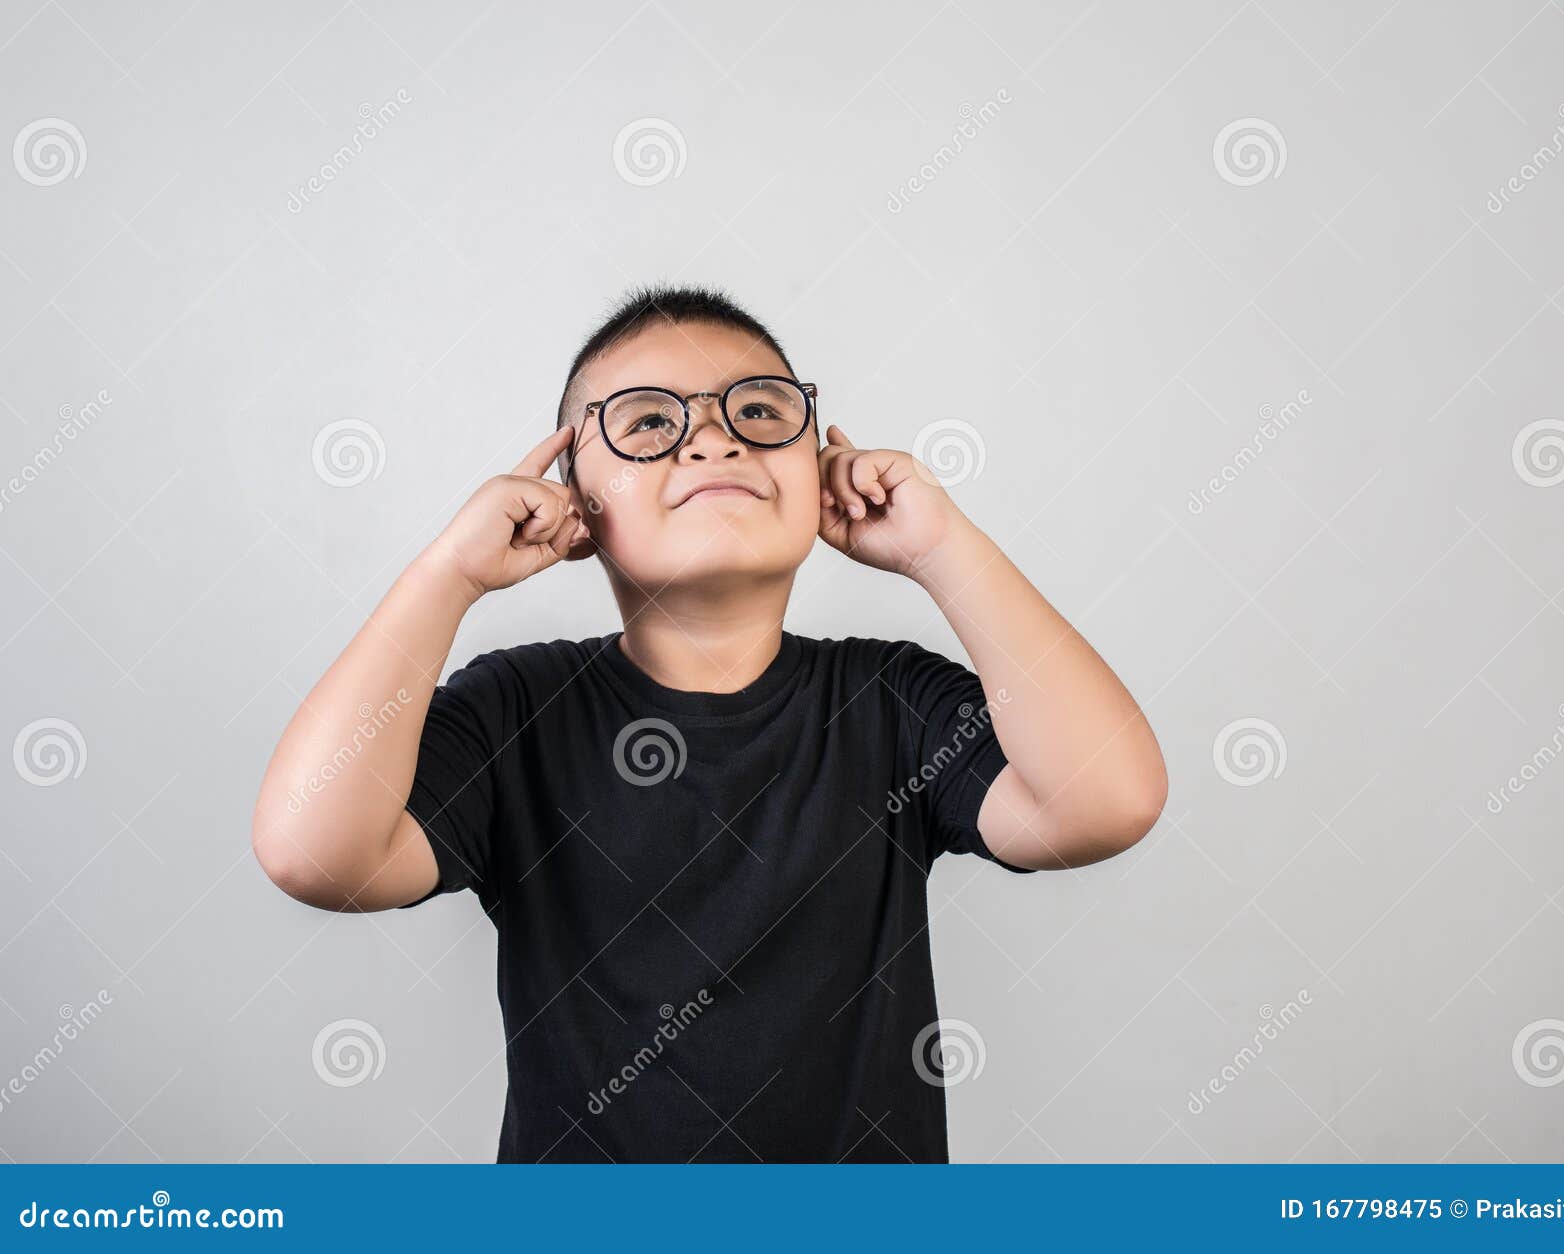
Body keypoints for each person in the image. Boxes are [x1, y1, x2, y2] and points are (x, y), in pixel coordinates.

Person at [251, 284, 1168, 1162]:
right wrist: (445, 574)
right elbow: (314, 853)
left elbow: (1105, 801)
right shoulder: (518, 713)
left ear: (817, 471)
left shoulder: (888, 701)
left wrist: (942, 548)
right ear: (575, 501)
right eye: (650, 422)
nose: (715, 442)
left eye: (760, 414)